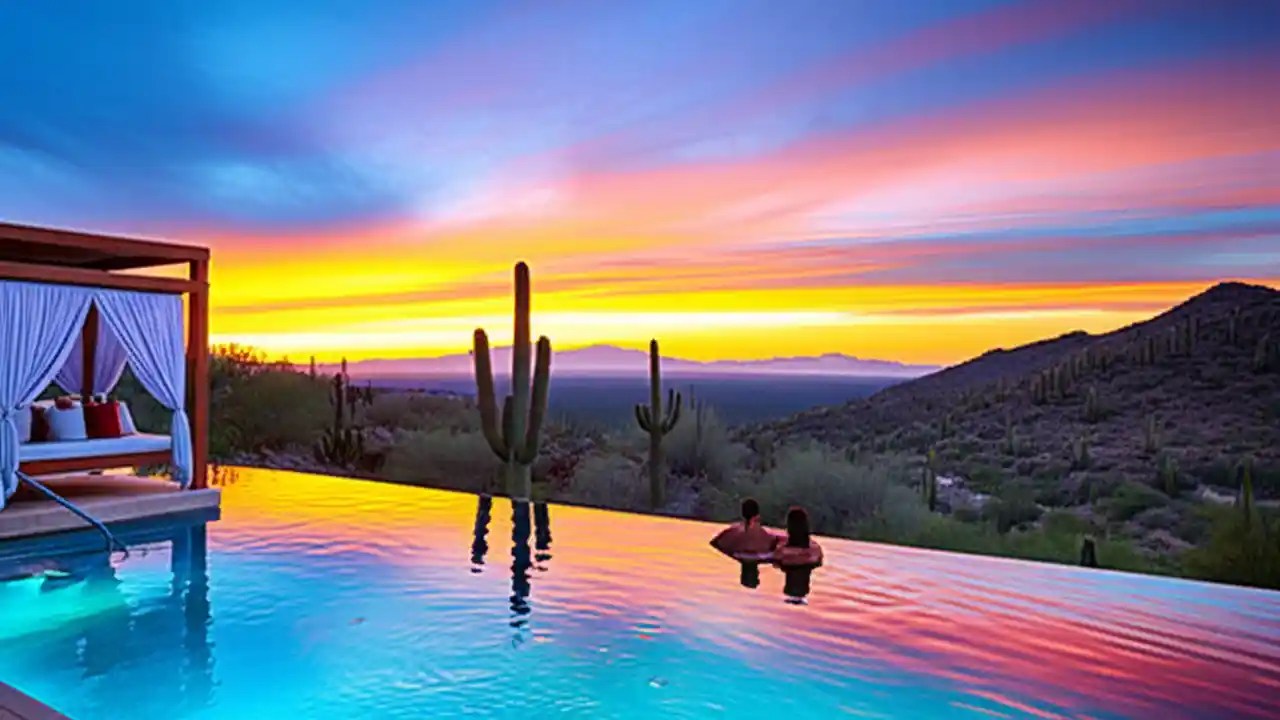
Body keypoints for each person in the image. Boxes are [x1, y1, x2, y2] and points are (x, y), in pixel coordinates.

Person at [710, 498, 782, 559]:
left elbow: (714, 544)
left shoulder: (731, 532)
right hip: (761, 557)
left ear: (742, 514)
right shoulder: (768, 537)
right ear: (758, 515)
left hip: (738, 555)